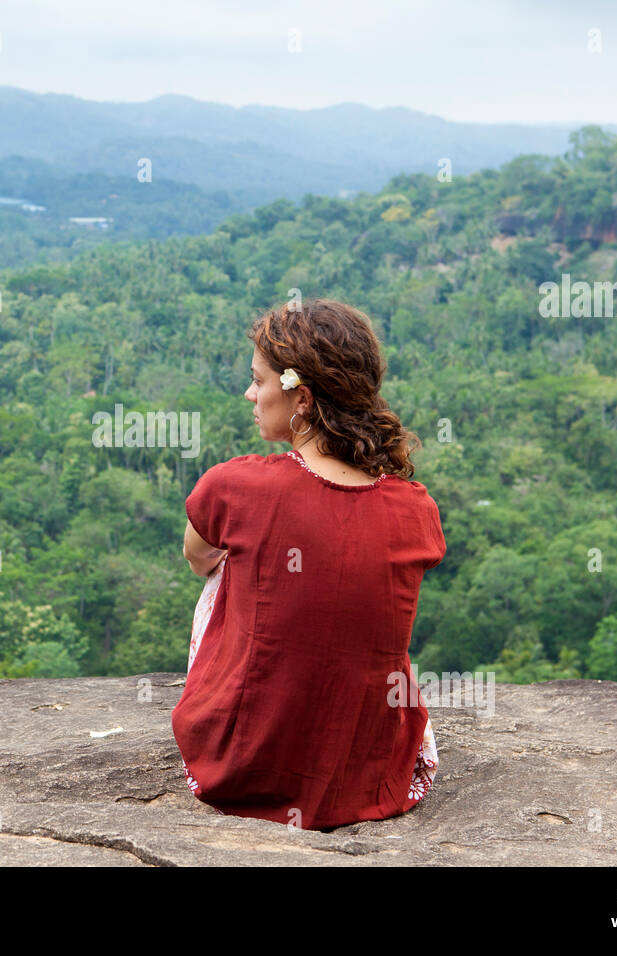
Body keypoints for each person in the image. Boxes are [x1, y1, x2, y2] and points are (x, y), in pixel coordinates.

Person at [173, 298, 445, 830]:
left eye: (259, 381)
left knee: (225, 568)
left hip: (240, 770)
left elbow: (197, 557)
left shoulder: (236, 487)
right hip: (372, 774)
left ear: (301, 396)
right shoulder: (416, 508)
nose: (249, 394)